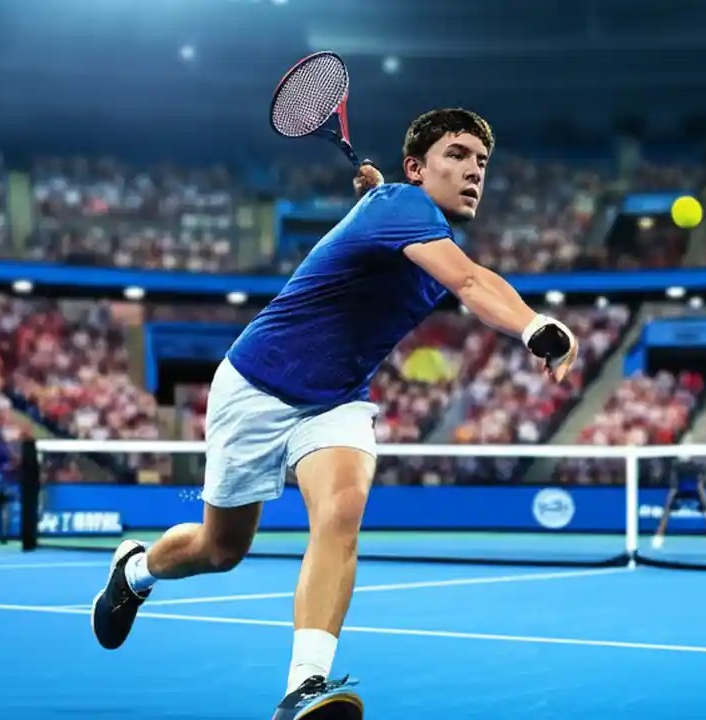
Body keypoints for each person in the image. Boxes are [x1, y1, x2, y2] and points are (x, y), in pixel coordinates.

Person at [88, 108, 579, 720]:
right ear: (416, 168)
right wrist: (535, 325)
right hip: (255, 384)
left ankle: (304, 687)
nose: (473, 170)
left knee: (341, 512)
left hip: (337, 399)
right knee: (220, 549)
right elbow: (474, 284)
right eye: (456, 155)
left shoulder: (403, 214)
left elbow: (439, 264)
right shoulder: (401, 209)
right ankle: (135, 572)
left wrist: (378, 199)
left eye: (481, 161)